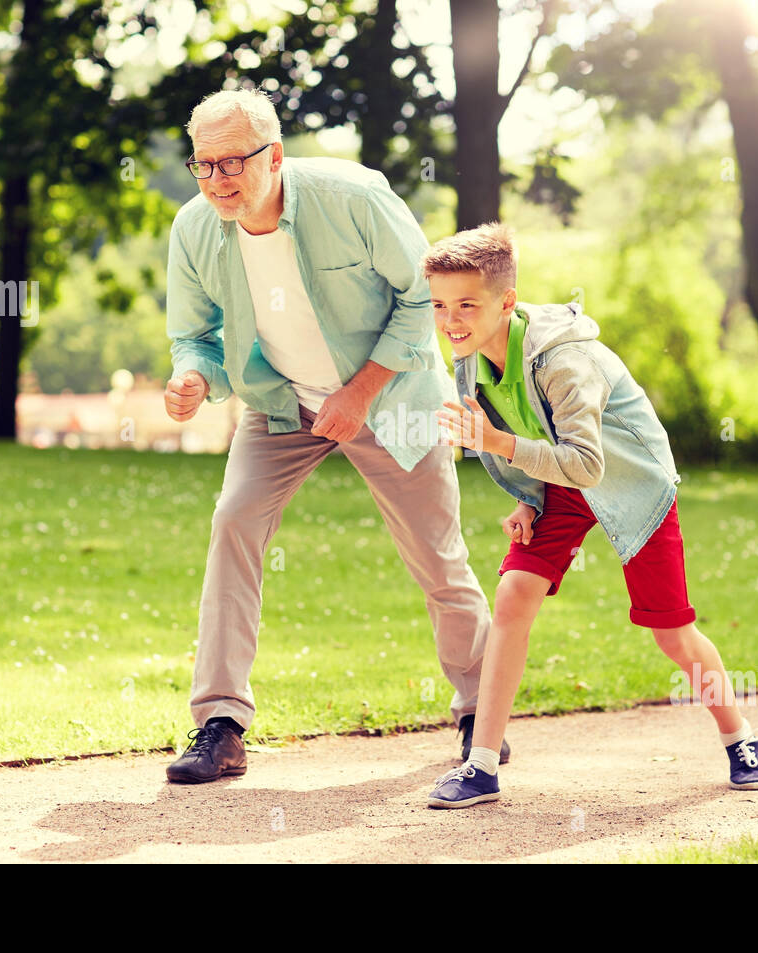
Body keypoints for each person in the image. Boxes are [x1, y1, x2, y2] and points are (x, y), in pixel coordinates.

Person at [162, 88, 504, 783]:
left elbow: (422, 299)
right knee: (233, 521)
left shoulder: (354, 196)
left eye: (234, 163)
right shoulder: (196, 228)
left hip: (392, 395)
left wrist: (359, 392)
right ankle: (220, 725)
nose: (219, 181)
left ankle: (480, 712)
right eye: (204, 165)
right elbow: (194, 335)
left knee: (437, 557)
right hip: (280, 401)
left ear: (275, 155)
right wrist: (192, 377)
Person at [420, 221, 758, 808]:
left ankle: (741, 737)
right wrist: (529, 500)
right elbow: (527, 438)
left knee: (672, 634)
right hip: (560, 480)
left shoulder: (564, 362)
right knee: (513, 596)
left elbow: (585, 464)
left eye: (466, 305)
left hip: (628, 483)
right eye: (438, 306)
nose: (450, 320)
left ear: (507, 302)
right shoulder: (472, 359)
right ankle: (481, 766)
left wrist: (500, 445)